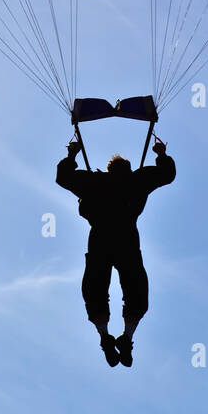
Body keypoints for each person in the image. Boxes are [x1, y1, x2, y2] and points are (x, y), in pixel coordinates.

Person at [56, 136, 176, 367]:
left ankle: (105, 337)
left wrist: (72, 155)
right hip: (127, 239)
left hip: (100, 239)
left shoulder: (94, 182)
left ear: (109, 170)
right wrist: (160, 154)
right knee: (136, 288)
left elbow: (63, 177)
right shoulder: (138, 180)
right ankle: (127, 337)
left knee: (95, 288)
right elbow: (167, 175)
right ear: (128, 169)